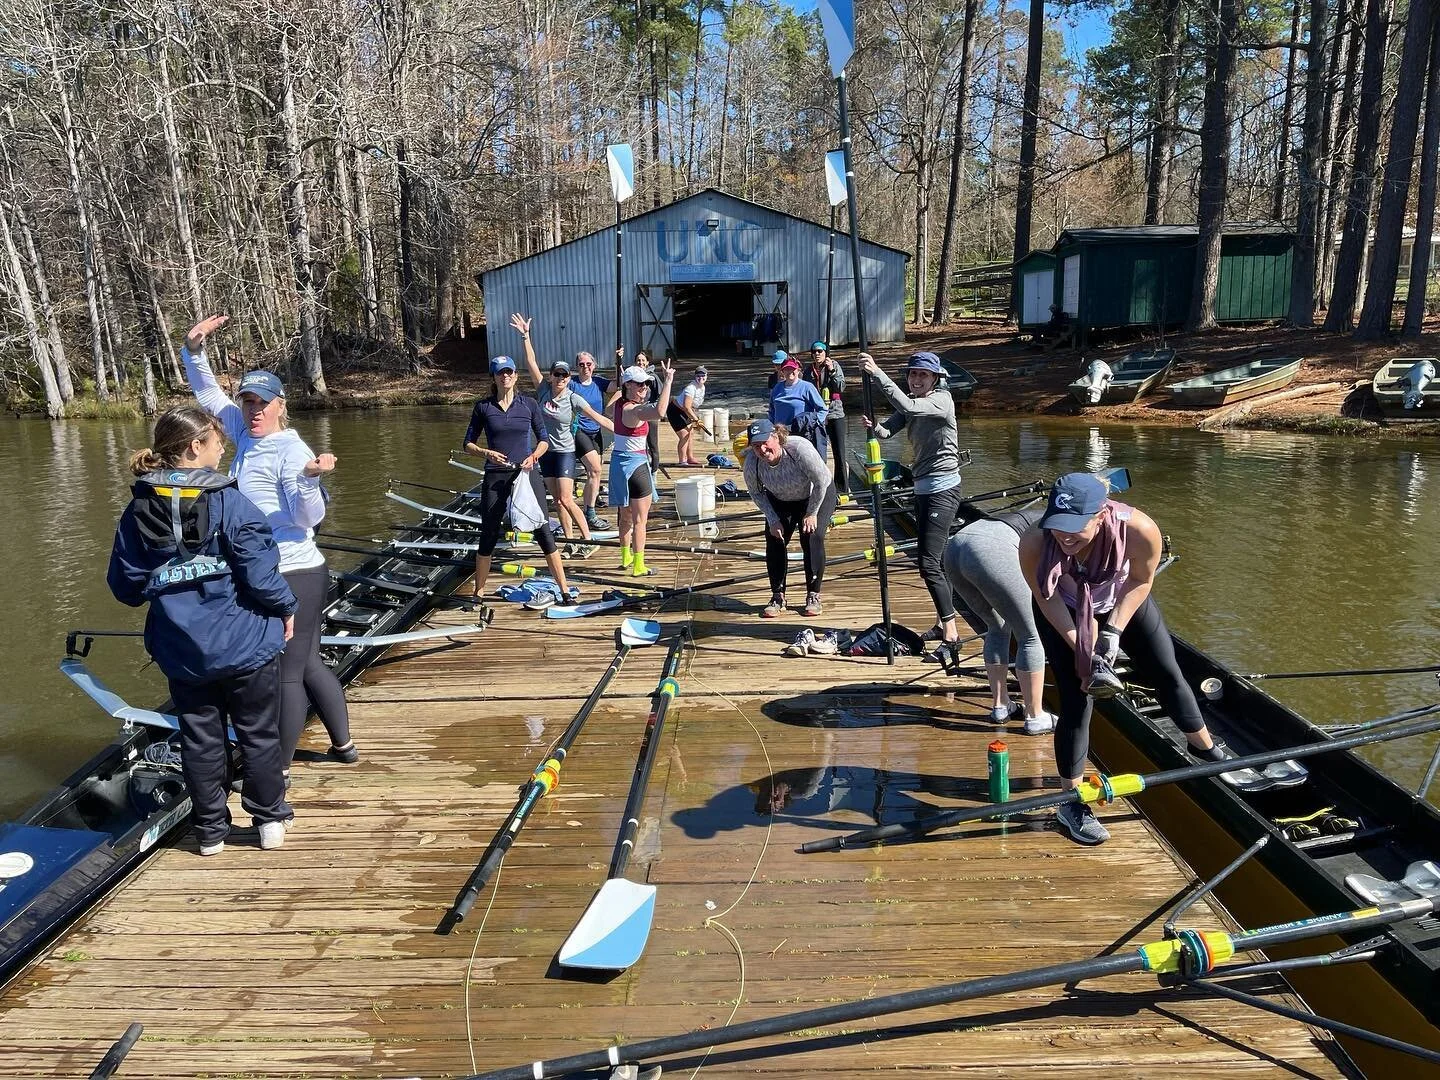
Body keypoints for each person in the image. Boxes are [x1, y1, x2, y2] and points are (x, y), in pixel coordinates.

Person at [107, 405, 297, 855]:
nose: (222, 449)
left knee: (199, 737)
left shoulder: (136, 510)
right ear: (196, 447)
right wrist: (288, 607)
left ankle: (210, 830)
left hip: (183, 651)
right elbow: (261, 576)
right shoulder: (231, 501)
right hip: (245, 643)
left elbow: (126, 588)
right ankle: (269, 820)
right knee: (258, 733)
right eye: (217, 443)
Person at [181, 315, 357, 775]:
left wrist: (310, 480)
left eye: (262, 403)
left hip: (294, 571)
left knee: (287, 674)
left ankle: (271, 771)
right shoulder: (243, 433)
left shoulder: (290, 451)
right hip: (265, 569)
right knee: (310, 661)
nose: (253, 409)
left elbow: (308, 519)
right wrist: (194, 351)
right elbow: (207, 397)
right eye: (247, 401)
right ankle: (344, 745)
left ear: (281, 406)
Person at [1019, 473, 1225, 846]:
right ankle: (1072, 803)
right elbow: (1045, 598)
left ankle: (1205, 749)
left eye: (1074, 528)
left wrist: (1111, 632)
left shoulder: (1141, 529)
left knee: (1166, 671)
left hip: (1122, 598)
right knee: (1077, 698)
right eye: (1057, 526)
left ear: (1102, 514)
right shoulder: (1034, 541)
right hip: (1064, 608)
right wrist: (1082, 647)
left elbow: (1141, 581)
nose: (1064, 536)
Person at [860, 351, 964, 649]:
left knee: (928, 564)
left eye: (923, 375)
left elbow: (907, 406)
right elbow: (887, 431)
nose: (916, 379)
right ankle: (942, 620)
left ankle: (952, 634)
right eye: (913, 374)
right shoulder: (914, 402)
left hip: (943, 489)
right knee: (934, 561)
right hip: (922, 488)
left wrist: (877, 373)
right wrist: (874, 428)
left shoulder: (940, 401)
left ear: (935, 378)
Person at [462, 356, 573, 604]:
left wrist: (534, 456)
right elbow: (467, 443)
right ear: (494, 377)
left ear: (515, 376)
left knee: (544, 532)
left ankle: (565, 591)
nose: (506, 376)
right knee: (488, 533)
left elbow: (544, 440)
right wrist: (485, 452)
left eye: (509, 372)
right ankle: (478, 594)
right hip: (495, 474)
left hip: (526, 473)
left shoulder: (529, 404)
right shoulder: (483, 407)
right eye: (500, 372)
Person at [943, 510, 1055, 733]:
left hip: (955, 547)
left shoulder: (1052, 513)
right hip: (990, 549)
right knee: (1031, 635)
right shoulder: (1067, 527)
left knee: (996, 627)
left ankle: (1001, 706)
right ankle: (1035, 716)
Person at [512, 313, 615, 555]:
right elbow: (531, 363)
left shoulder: (573, 397)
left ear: (569, 378)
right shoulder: (544, 389)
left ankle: (588, 541)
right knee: (557, 502)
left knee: (567, 499)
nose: (560, 378)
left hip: (566, 453)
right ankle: (570, 540)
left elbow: (598, 418)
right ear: (551, 376)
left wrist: (625, 432)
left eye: (564, 375)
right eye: (556, 374)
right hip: (546, 452)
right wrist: (525, 336)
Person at [741, 419, 837, 618]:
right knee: (774, 537)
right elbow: (756, 493)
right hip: (780, 498)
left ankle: (813, 594)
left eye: (765, 442)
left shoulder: (799, 449)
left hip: (816, 493)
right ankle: (778, 595)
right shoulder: (752, 462)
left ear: (776, 436)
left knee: (811, 536)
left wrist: (811, 514)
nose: (762, 449)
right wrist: (772, 519)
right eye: (756, 446)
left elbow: (821, 482)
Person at [611, 361, 675, 577]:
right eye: (639, 385)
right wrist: (667, 381)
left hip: (618, 466)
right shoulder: (635, 410)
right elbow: (660, 411)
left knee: (625, 515)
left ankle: (625, 557)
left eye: (646, 385)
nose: (644, 388)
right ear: (627, 385)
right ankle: (639, 565)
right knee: (640, 521)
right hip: (636, 466)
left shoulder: (618, 405)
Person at [568, 351, 612, 531]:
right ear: (576, 367)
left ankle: (588, 510)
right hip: (578, 430)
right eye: (581, 364)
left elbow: (621, 386)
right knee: (595, 469)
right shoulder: (571, 384)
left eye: (588, 364)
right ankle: (591, 515)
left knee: (594, 474)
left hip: (596, 431)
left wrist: (618, 360)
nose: (585, 367)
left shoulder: (599, 382)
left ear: (594, 365)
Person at [803, 341, 848, 495]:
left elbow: (841, 387)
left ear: (825, 353)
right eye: (814, 351)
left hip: (835, 413)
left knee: (839, 452)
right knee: (816, 452)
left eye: (820, 351)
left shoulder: (833, 365)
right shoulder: (809, 371)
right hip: (817, 416)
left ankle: (841, 488)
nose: (817, 354)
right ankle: (820, 485)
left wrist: (832, 370)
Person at [769, 355, 828, 458]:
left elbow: (822, 409)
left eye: (792, 369)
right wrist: (771, 426)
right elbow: (771, 410)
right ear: (782, 371)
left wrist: (814, 423)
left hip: (801, 431)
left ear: (798, 370)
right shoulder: (777, 388)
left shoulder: (807, 387)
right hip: (781, 432)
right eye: (786, 369)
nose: (789, 372)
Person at [668, 366, 708, 466]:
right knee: (684, 435)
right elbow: (686, 406)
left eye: (703, 375)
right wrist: (696, 419)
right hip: (675, 411)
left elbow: (693, 406)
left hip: (685, 411)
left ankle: (690, 458)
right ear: (695, 377)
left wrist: (694, 417)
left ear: (706, 376)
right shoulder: (691, 388)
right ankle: (682, 461)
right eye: (698, 376)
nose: (701, 378)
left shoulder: (702, 387)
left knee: (690, 433)